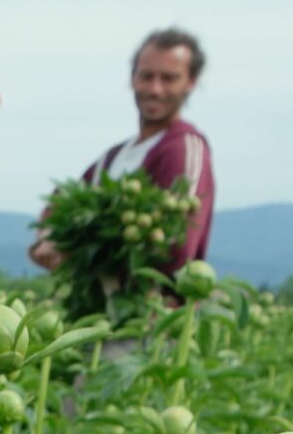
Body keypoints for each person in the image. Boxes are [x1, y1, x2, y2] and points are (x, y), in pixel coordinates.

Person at [30, 28, 214, 279]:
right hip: (96, 311)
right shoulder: (113, 158)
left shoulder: (184, 148)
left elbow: (176, 245)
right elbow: (62, 202)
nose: (155, 89)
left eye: (169, 78)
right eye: (146, 76)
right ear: (133, 78)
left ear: (190, 82)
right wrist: (49, 238)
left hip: (154, 312)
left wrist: (76, 249)